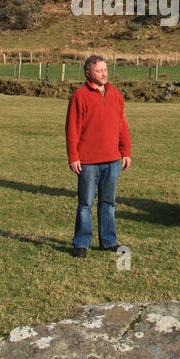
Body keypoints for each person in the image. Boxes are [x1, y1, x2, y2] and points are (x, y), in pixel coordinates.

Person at [65, 54, 131, 258]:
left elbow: (122, 125)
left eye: (105, 69)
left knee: (109, 202)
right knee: (85, 203)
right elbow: (72, 128)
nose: (104, 73)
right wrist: (73, 156)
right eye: (99, 70)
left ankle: (108, 241)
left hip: (112, 159)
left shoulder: (116, 95)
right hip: (88, 162)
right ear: (88, 73)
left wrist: (126, 151)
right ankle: (81, 243)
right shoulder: (79, 96)